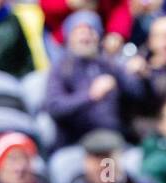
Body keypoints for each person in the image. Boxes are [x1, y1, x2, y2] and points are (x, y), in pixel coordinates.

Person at [46, 10, 146, 146]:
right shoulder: (60, 68)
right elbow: (55, 108)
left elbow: (138, 94)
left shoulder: (109, 64)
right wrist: (90, 95)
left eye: (91, 31)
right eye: (80, 32)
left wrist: (140, 75)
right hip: (76, 141)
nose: (86, 37)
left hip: (114, 139)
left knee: (121, 162)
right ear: (69, 36)